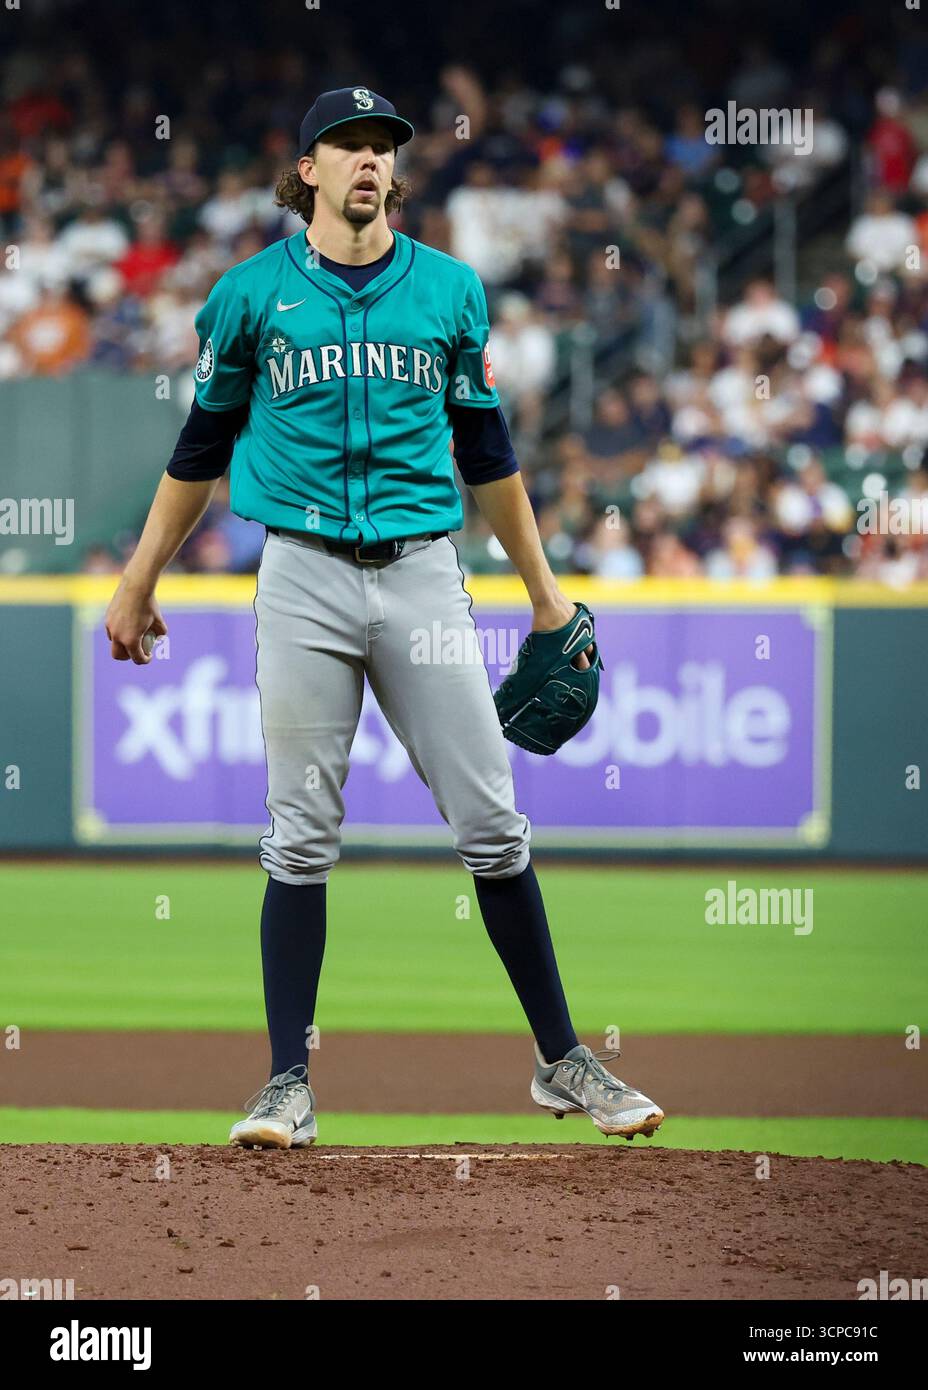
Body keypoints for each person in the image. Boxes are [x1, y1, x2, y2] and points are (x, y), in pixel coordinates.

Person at [104, 86, 664, 1149]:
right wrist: (139, 580)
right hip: (302, 575)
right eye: (345, 145)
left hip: (421, 573)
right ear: (305, 169)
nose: (368, 160)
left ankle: (561, 1061)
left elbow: (488, 456)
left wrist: (545, 595)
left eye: (382, 147)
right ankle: (284, 1083)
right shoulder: (248, 296)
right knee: (300, 836)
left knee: (494, 827)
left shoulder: (449, 292)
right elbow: (200, 452)